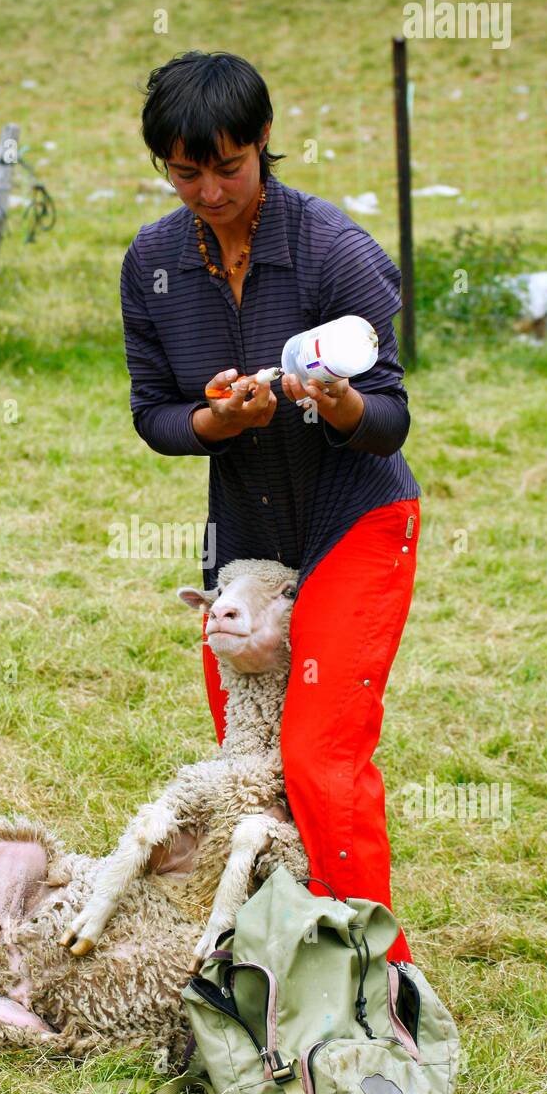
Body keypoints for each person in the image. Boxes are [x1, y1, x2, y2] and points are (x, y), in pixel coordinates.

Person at [119, 50, 421, 964]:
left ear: (263, 146)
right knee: (249, 763)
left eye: (229, 166)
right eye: (185, 172)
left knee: (321, 754)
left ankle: (376, 975)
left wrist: (340, 406)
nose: (208, 190)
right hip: (246, 543)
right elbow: (153, 415)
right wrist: (214, 418)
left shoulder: (335, 252)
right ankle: (276, 950)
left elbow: (392, 419)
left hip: (355, 521)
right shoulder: (152, 264)